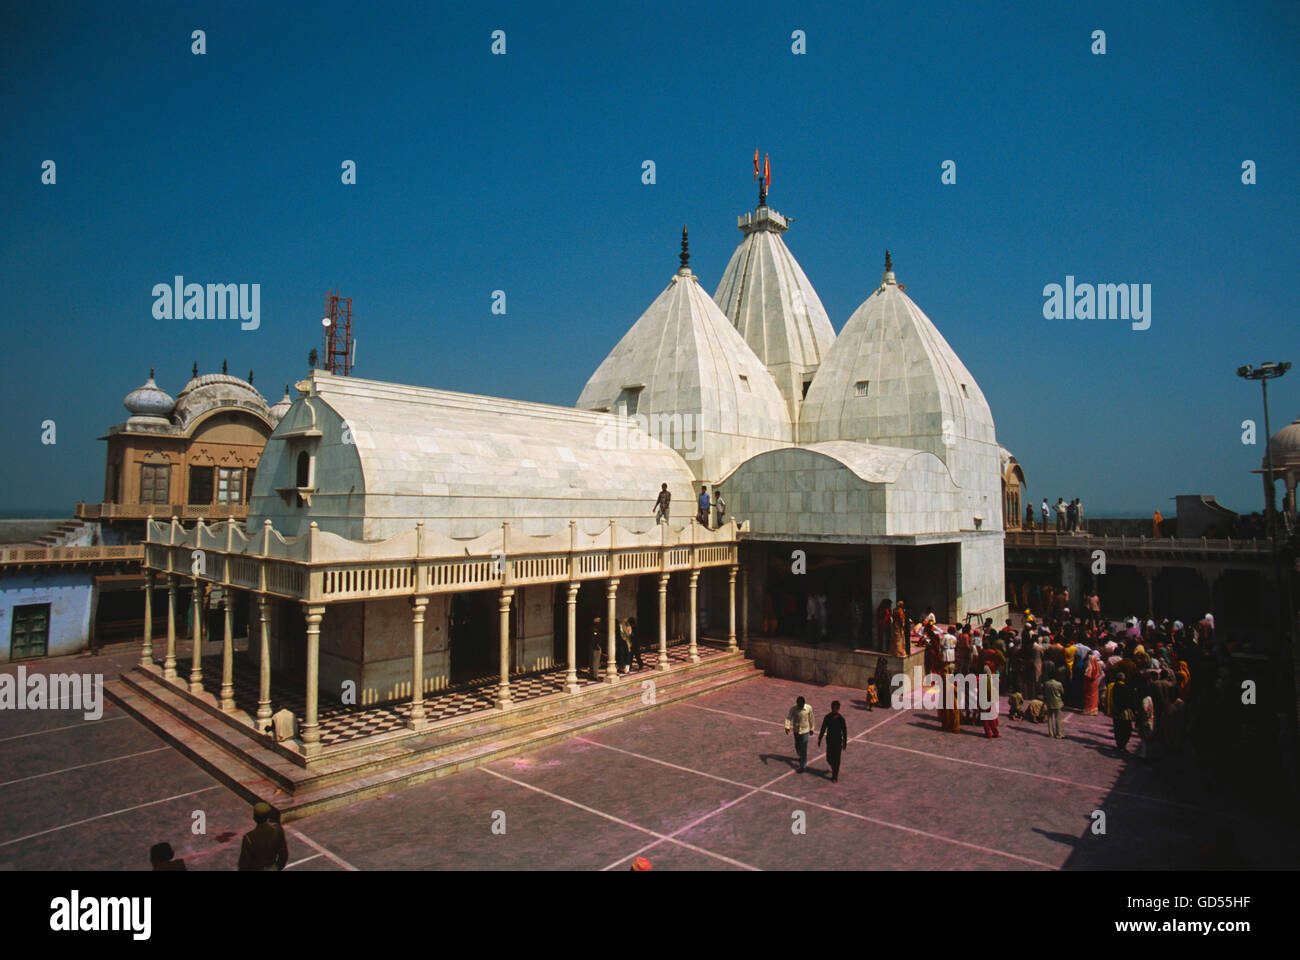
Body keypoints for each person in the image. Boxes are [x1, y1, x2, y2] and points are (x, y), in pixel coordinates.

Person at [237, 802, 289, 871]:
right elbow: (283, 855)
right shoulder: (278, 830)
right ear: (268, 816)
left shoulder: (249, 837)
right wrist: (276, 868)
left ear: (255, 818)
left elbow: (244, 863)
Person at [817, 700, 848, 782]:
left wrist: (844, 742)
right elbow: (823, 728)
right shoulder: (827, 717)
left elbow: (844, 731)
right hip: (830, 741)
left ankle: (835, 776)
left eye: (836, 708)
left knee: (837, 759)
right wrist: (820, 738)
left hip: (838, 742)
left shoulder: (841, 719)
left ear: (838, 709)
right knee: (829, 758)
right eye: (833, 708)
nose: (834, 710)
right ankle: (833, 767)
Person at [784, 695, 815, 773]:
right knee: (797, 745)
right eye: (799, 705)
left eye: (801, 705)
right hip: (797, 730)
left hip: (805, 730)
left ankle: (802, 765)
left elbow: (811, 719)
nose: (800, 706)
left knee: (804, 746)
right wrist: (787, 726)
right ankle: (800, 755)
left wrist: (812, 728)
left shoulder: (808, 708)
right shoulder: (793, 709)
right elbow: (789, 718)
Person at [1043, 666, 1065, 739]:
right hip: (1057, 702)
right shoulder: (1059, 684)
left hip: (1049, 702)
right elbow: (1062, 692)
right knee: (1057, 719)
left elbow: (1045, 693)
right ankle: (1058, 734)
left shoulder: (1046, 684)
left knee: (1049, 718)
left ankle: (1051, 733)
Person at [1082, 649, 1103, 715]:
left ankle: (1087, 709)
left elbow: (1085, 671)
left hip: (1087, 680)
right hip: (1094, 680)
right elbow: (1099, 672)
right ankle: (1093, 710)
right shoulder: (1095, 661)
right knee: (1094, 695)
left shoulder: (1086, 661)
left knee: (1087, 695)